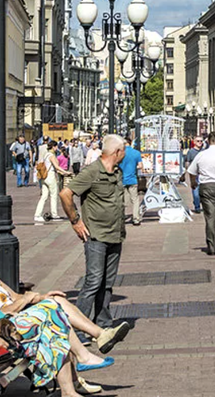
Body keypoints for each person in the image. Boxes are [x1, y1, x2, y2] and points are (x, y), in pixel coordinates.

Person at [0, 239, 109, 396]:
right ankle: (81, 362)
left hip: (4, 325)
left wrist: (9, 314)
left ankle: (70, 390)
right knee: (50, 311)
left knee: (52, 325)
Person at [0, 236, 130, 356]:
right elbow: (0, 311)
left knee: (56, 299)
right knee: (54, 310)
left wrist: (40, 296)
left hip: (19, 312)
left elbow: (14, 296)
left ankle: (99, 336)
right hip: (7, 324)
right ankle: (96, 340)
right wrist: (27, 299)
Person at [61, 135, 126, 328]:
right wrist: (76, 221)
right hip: (96, 235)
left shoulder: (117, 172)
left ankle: (103, 323)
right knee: (93, 281)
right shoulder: (92, 172)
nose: (125, 154)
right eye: (124, 150)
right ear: (117, 152)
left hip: (115, 233)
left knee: (107, 282)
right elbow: (66, 194)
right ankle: (79, 327)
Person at [34, 146, 67, 224]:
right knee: (53, 195)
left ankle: (37, 215)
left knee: (44, 196)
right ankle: (54, 214)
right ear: (54, 147)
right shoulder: (51, 156)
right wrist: (65, 172)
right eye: (56, 147)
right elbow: (57, 167)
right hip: (50, 177)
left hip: (43, 177)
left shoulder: (45, 155)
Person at [120, 138, 143, 227]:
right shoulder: (136, 153)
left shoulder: (120, 153)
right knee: (135, 200)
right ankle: (136, 218)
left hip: (122, 179)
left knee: (124, 200)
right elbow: (140, 166)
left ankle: (122, 217)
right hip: (132, 179)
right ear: (131, 143)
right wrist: (133, 167)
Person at [184, 137, 203, 212]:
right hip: (194, 174)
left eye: (201, 141)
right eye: (198, 141)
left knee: (204, 191)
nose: (200, 142)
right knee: (195, 192)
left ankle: (202, 204)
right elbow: (187, 162)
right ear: (194, 142)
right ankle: (197, 206)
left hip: (204, 174)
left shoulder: (204, 151)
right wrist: (188, 171)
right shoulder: (191, 152)